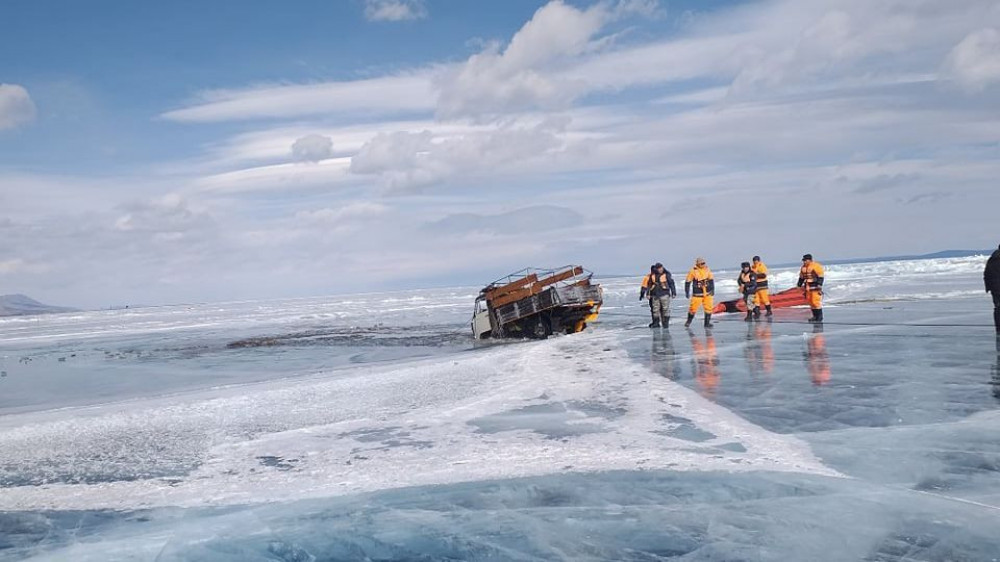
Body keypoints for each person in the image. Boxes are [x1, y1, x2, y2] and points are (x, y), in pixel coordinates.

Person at [640, 263, 677, 328]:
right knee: (655, 310)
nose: (660, 269)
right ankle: (656, 323)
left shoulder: (666, 274)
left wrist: (673, 292)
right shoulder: (650, 276)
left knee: (664, 309)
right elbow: (647, 286)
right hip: (654, 295)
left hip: (664, 294)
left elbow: (671, 283)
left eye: (661, 268)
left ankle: (665, 323)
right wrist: (646, 294)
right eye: (658, 268)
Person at [684, 257, 715, 328]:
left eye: (704, 263)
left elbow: (711, 280)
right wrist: (687, 292)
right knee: (693, 308)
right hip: (697, 293)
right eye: (701, 263)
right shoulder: (693, 271)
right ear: (697, 264)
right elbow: (688, 282)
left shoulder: (707, 270)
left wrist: (712, 290)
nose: (703, 265)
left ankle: (707, 323)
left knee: (709, 308)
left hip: (707, 293)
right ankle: (688, 321)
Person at [797, 253, 825, 323]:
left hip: (815, 286)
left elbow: (820, 276)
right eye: (803, 260)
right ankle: (814, 316)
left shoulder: (816, 266)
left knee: (815, 302)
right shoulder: (803, 268)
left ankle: (819, 316)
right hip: (808, 287)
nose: (804, 262)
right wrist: (799, 285)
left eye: (805, 260)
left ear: (810, 260)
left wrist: (819, 284)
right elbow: (801, 277)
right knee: (810, 302)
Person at [985, 244, 1000, 333]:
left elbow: (986, 274)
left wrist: (988, 287)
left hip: (995, 289)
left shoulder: (992, 259)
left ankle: (998, 328)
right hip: (996, 288)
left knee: (998, 308)